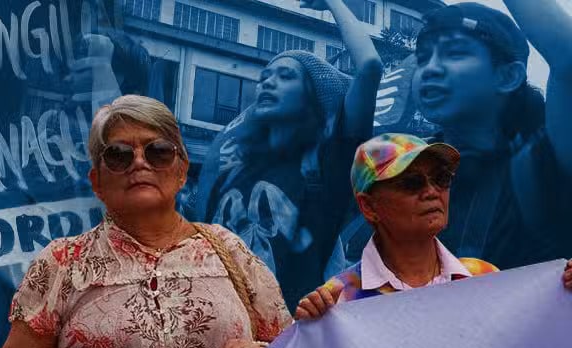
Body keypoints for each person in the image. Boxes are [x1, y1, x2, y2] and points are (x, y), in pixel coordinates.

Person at [0, 95, 292, 348]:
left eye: (159, 152)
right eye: (119, 155)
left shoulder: (229, 252)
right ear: (96, 181)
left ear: (182, 171)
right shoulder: (63, 262)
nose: (140, 162)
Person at [329, 1, 572, 272]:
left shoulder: (546, 163)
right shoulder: (397, 166)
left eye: (455, 54)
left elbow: (567, 58)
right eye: (423, 58)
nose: (430, 69)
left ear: (508, 76)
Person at [195, 0, 383, 307]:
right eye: (265, 78)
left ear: (311, 96)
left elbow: (370, 66)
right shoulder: (235, 166)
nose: (269, 82)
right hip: (219, 320)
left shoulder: (327, 163)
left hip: (295, 334)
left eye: (285, 76)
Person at [295, 133, 572, 319]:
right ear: (369, 206)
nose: (432, 191)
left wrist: (563, 294)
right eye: (411, 182)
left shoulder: (484, 277)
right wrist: (301, 339)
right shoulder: (337, 298)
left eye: (441, 178)